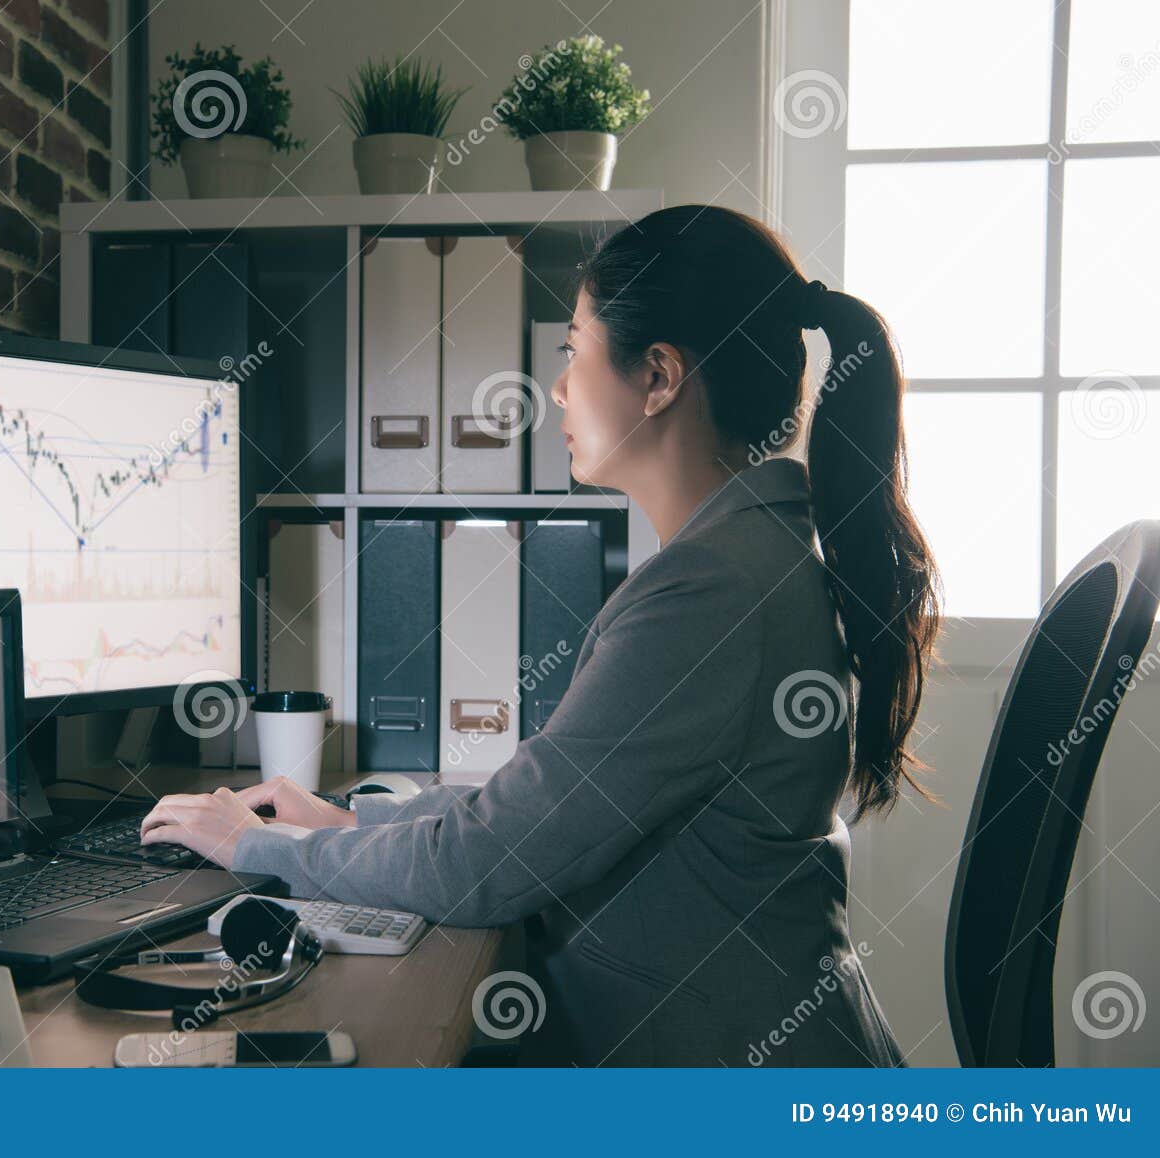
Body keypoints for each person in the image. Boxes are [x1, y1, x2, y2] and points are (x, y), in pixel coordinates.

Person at [140, 205, 940, 1067]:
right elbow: (539, 808)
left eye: (575, 351)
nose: (557, 389)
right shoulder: (743, 556)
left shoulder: (713, 592)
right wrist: (351, 820)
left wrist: (254, 845)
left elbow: (487, 860)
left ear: (659, 376)